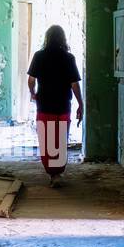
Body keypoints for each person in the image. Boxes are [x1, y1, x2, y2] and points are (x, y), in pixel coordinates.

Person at [27, 25, 83, 186]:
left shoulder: (39, 56)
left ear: (47, 38)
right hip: (63, 105)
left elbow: (31, 80)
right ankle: (57, 173)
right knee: (60, 139)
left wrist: (33, 92)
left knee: (46, 140)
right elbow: (74, 85)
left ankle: (52, 173)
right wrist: (81, 104)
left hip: (44, 105)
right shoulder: (68, 58)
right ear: (62, 39)